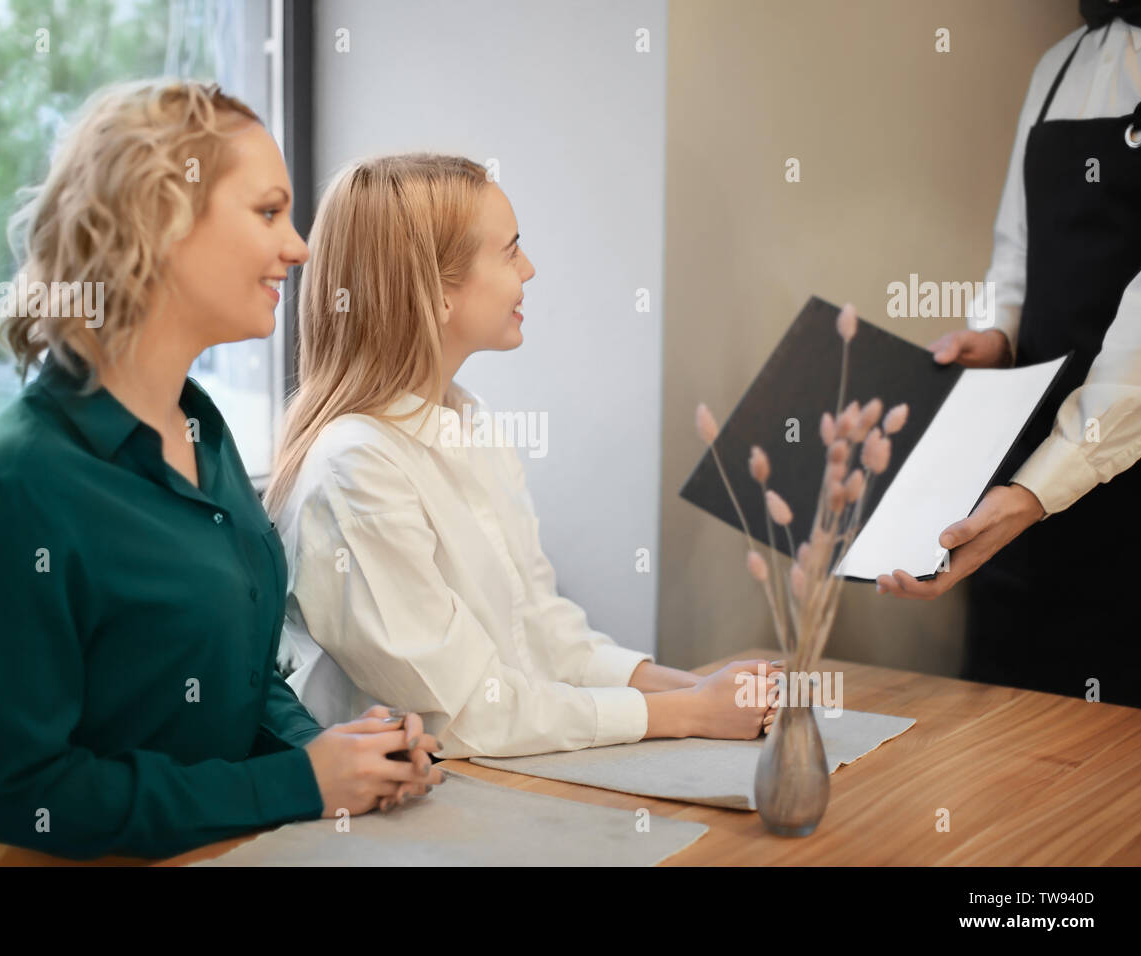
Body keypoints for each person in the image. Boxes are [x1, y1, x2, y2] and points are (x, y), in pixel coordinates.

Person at [0, 80, 441, 865]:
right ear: (161, 218)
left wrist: (340, 753)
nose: (300, 246)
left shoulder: (202, 428)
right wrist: (296, 784)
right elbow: (23, 795)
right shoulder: (21, 480)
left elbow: (237, 675)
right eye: (269, 212)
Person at [263, 153, 782, 760]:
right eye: (510, 251)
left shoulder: (468, 420)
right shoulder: (356, 469)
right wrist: (689, 712)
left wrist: (702, 690)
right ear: (435, 292)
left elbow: (542, 631)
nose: (529, 270)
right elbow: (458, 715)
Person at [876, 3, 1141, 708]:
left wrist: (1043, 487)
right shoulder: (1057, 67)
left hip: (1118, 478)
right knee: (1001, 727)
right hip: (1026, 473)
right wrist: (995, 332)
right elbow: (1015, 251)